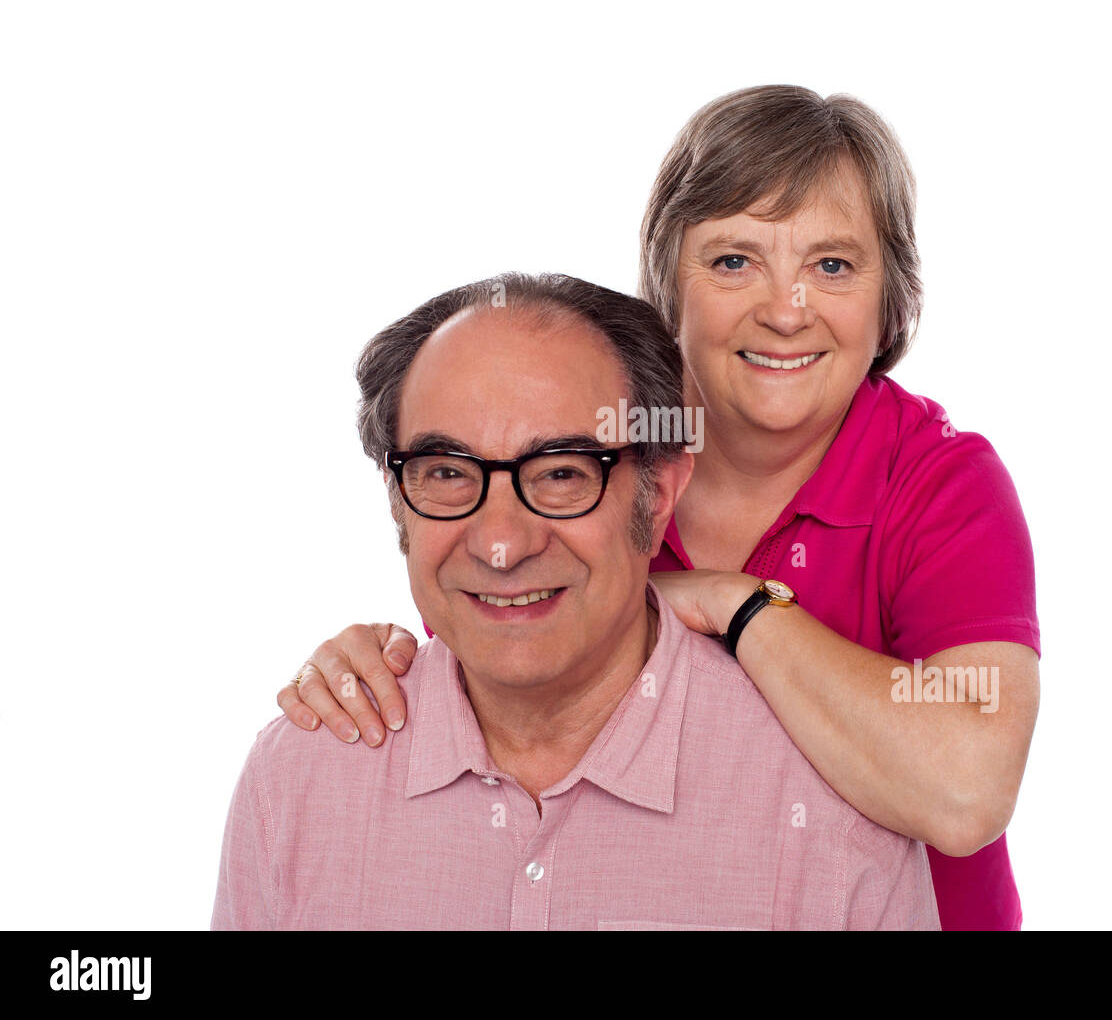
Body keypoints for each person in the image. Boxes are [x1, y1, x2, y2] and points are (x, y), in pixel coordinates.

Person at [278, 86, 1041, 930]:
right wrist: (373, 668)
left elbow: (967, 791)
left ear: (889, 295)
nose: (784, 311)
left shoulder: (942, 481)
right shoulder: (595, 450)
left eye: (831, 265)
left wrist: (732, 603)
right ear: (666, 284)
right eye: (732, 261)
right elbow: (495, 647)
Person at [212, 274, 940, 930]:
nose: (501, 541)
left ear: (657, 494)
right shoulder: (298, 779)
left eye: (561, 474)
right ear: (398, 500)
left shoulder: (830, 804)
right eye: (446, 472)